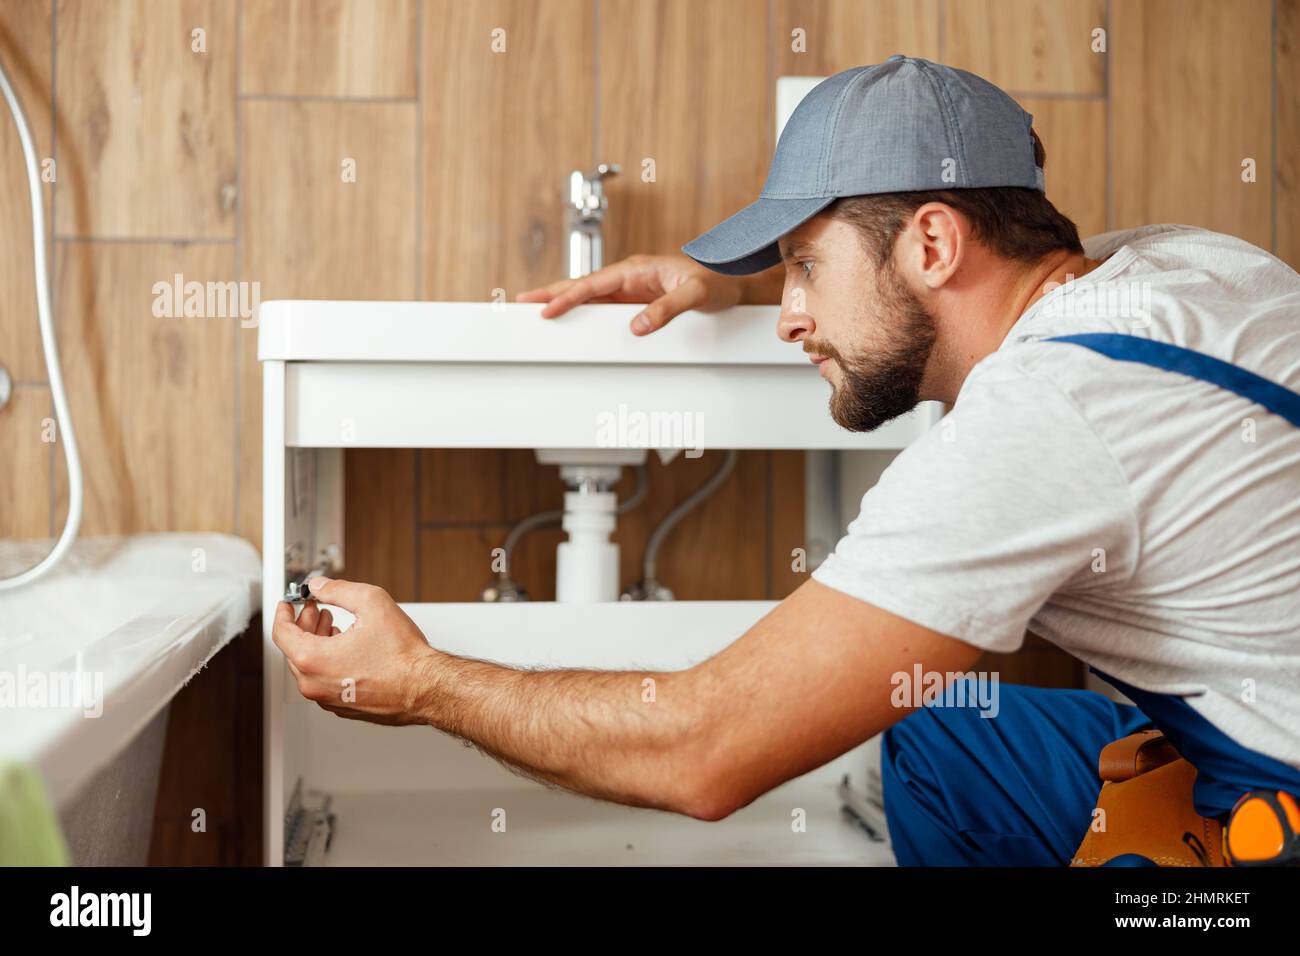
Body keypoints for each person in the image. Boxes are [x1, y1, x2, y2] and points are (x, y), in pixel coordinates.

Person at [273, 56, 1300, 866]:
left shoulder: (1043, 417)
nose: (790, 315)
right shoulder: (1178, 265)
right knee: (945, 731)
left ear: (933, 244)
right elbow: (946, 311)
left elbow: (700, 752)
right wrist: (744, 284)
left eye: (806, 261)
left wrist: (418, 680)